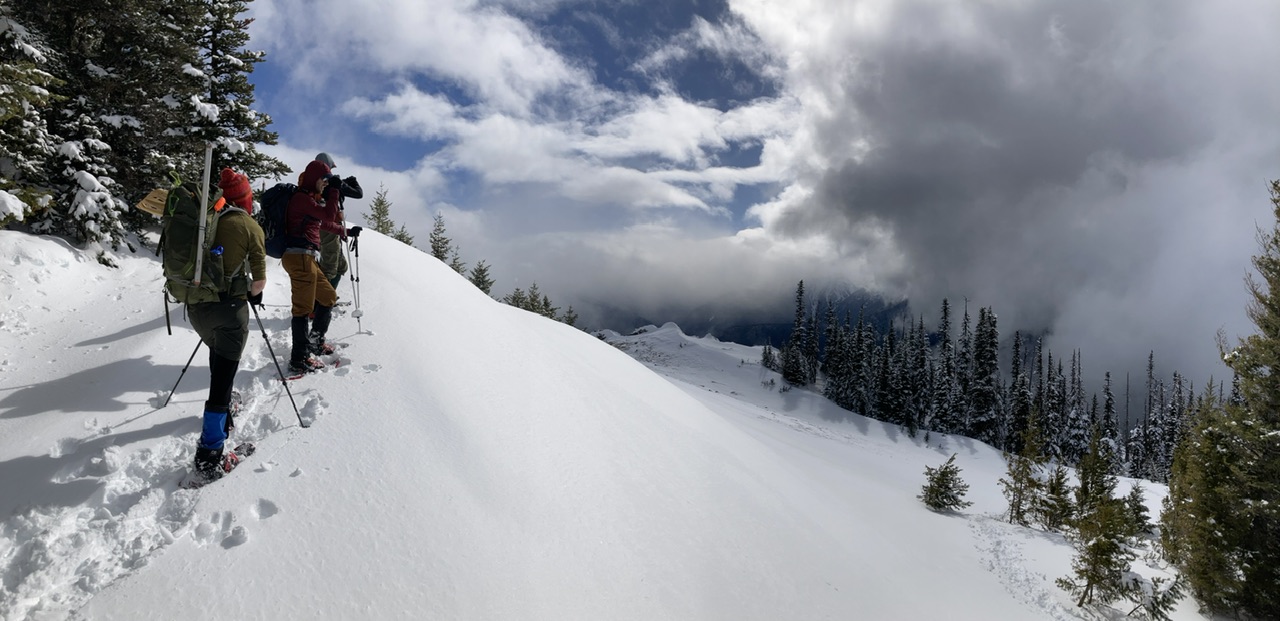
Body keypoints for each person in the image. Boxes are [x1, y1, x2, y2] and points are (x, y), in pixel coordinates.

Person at [188, 167, 267, 479]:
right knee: (221, 381)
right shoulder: (248, 225)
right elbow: (258, 282)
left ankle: (224, 421)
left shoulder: (205, 218)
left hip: (195, 308)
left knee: (218, 357)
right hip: (229, 312)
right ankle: (209, 456)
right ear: (245, 198)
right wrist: (250, 290)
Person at [283, 158, 361, 374]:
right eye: (324, 179)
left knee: (327, 297)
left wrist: (346, 232)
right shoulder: (300, 198)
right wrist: (335, 190)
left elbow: (324, 222)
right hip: (299, 257)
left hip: (307, 257)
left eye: (328, 180)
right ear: (314, 178)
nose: (326, 183)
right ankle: (299, 358)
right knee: (303, 309)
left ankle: (315, 340)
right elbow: (328, 214)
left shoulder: (309, 199)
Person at [308, 152, 363, 289]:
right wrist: (352, 182)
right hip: (328, 228)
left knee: (340, 266)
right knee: (331, 266)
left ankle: (327, 297)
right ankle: (320, 302)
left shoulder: (311, 181)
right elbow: (358, 193)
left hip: (324, 227)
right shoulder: (333, 183)